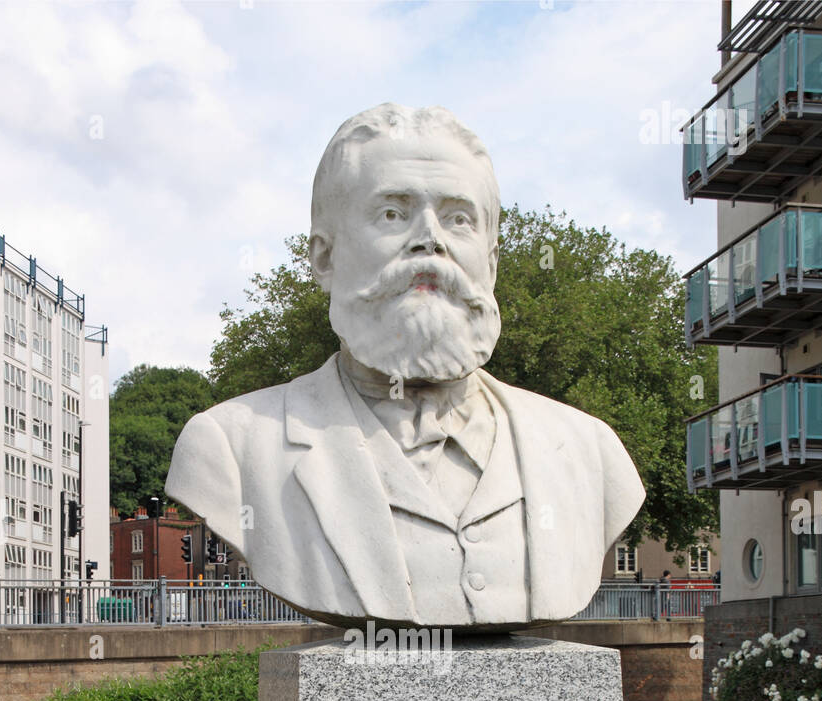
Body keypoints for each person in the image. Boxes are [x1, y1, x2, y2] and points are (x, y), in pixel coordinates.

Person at [167, 104, 645, 630]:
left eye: (458, 218)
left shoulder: (588, 449)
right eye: (393, 214)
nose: (430, 239)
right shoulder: (229, 446)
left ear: (491, 261)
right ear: (325, 258)